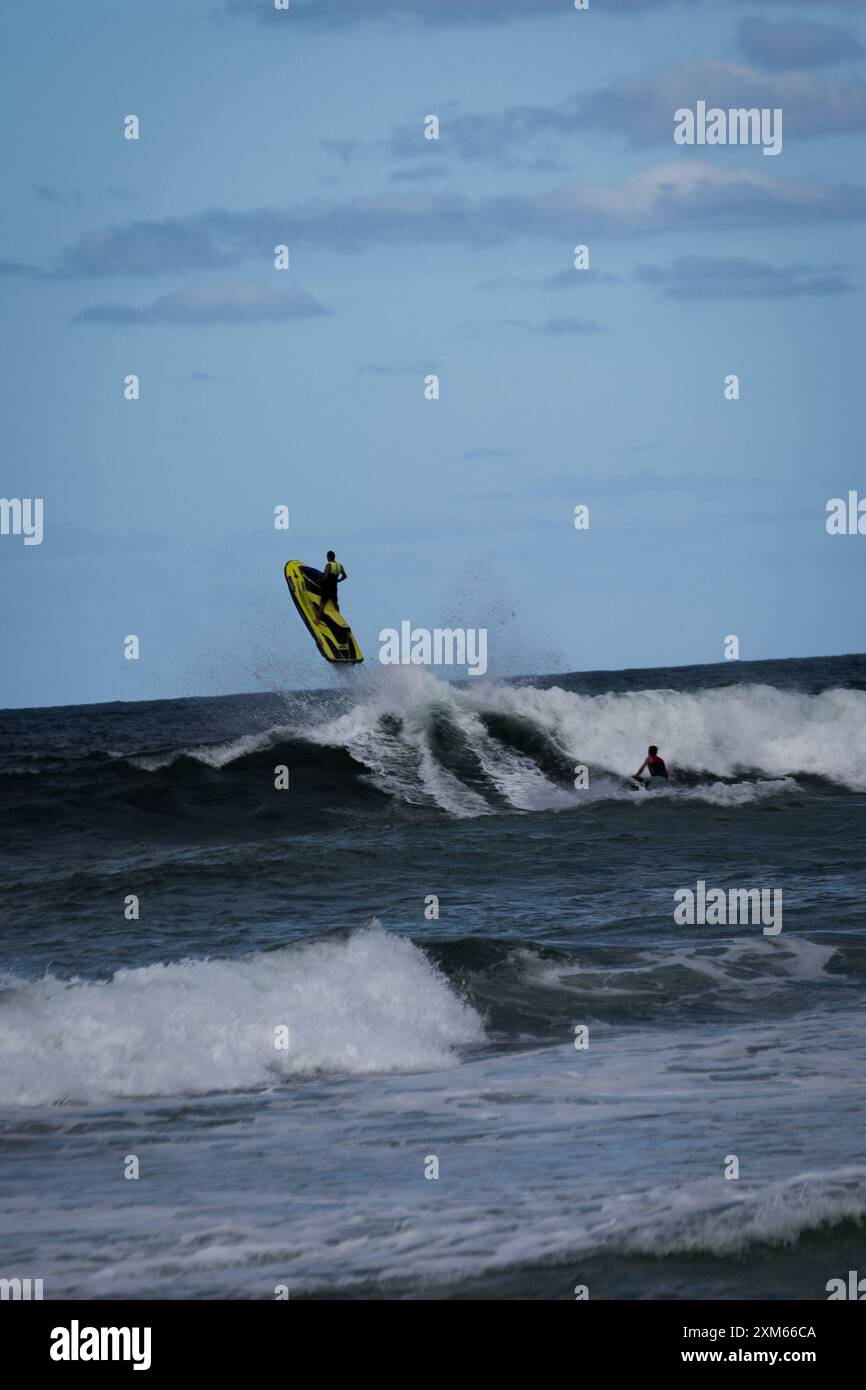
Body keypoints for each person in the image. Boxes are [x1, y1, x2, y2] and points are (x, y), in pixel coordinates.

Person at [314, 550, 346, 621]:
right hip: (334, 587)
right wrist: (338, 580)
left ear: (329, 557)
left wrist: (319, 581)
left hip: (327, 586)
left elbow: (325, 577)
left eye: (327, 556)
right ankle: (340, 619)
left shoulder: (329, 565)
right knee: (335, 602)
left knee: (323, 602)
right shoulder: (339, 566)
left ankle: (318, 619)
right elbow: (344, 576)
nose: (326, 558)